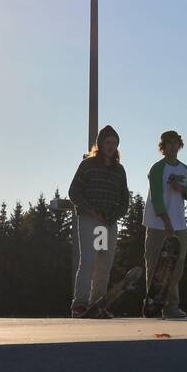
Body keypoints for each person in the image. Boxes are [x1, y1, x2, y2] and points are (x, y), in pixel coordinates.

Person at [67, 125, 130, 318]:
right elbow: (74, 192)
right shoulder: (87, 165)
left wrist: (112, 217)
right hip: (89, 220)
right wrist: (91, 210)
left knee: (104, 262)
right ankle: (80, 304)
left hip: (108, 224)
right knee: (88, 261)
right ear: (100, 144)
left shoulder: (119, 170)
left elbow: (124, 199)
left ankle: (98, 304)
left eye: (114, 143)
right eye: (107, 142)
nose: (111, 146)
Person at [143, 130, 187, 318]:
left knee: (176, 265)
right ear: (163, 147)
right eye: (169, 143)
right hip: (157, 224)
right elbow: (157, 197)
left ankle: (172, 306)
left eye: (176, 143)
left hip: (179, 225)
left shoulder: (185, 169)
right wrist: (166, 221)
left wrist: (181, 189)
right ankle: (153, 304)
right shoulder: (157, 169)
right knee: (155, 264)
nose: (172, 146)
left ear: (179, 145)